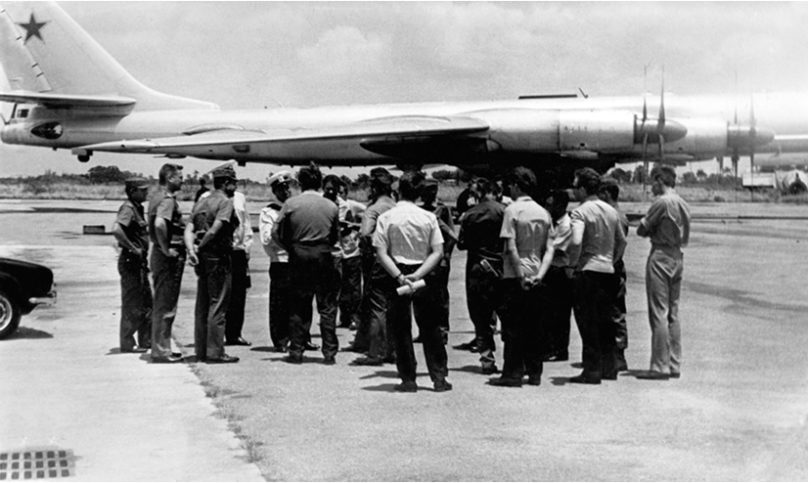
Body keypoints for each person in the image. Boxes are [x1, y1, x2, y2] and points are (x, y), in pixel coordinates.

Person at [373, 171, 451, 392]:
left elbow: (381, 252)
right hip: (423, 273)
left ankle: (408, 379)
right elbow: (438, 251)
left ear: (398, 191)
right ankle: (438, 377)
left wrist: (399, 276)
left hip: (396, 272)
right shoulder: (428, 217)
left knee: (400, 328)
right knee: (431, 327)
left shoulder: (386, 218)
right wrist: (419, 275)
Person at [488, 167, 554, 388]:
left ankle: (513, 373)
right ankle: (535, 372)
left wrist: (520, 275)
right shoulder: (543, 213)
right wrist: (539, 275)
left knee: (513, 328)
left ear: (516, 185)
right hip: (538, 274)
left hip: (514, 276)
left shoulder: (512, 211)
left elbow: (511, 247)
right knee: (535, 326)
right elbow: (549, 249)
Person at [272, 162, 340, 365]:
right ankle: (329, 351)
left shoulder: (291, 204)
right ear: (319, 182)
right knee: (327, 306)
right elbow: (335, 236)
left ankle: (296, 349)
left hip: (299, 256)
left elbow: (276, 232)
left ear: (300, 183)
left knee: (299, 305)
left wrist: (289, 247)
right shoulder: (331, 206)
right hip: (323, 255)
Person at [567, 167, 627, 384]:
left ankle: (591, 370)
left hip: (588, 271)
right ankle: (610, 367)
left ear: (583, 189)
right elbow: (622, 241)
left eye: (575, 187)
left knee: (587, 322)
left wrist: (573, 264)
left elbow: (575, 241)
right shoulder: (611, 211)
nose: (574, 192)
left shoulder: (580, 212)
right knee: (607, 321)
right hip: (608, 271)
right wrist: (612, 259)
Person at [637, 165, 691, 379]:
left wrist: (645, 227)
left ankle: (660, 366)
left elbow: (643, 229)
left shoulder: (662, 202)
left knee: (658, 312)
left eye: (653, 181)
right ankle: (674, 363)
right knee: (672, 313)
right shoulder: (682, 202)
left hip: (660, 255)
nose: (652, 186)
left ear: (660, 180)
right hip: (677, 255)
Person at [185, 164, 240, 363]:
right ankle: (215, 352)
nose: (235, 186)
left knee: (203, 304)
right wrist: (201, 247)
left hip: (203, 258)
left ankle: (201, 349)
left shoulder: (202, 201)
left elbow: (189, 228)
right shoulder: (225, 202)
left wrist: (192, 249)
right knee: (218, 305)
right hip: (218, 256)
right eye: (233, 183)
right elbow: (215, 229)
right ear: (226, 183)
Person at [457, 177, 505, 375]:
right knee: (507, 314)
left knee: (480, 315)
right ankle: (514, 359)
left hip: (477, 268)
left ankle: (487, 359)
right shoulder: (504, 211)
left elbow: (462, 244)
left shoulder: (469, 214)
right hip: (501, 267)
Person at [349, 168, 397, 365]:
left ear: (375, 188)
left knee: (376, 305)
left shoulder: (373, 209)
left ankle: (376, 352)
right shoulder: (395, 206)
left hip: (376, 260)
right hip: (397, 260)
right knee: (393, 305)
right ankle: (391, 348)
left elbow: (366, 233)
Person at [147, 163, 186, 363]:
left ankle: (162, 346)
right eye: (179, 177)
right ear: (170, 178)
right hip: (168, 256)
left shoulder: (155, 196)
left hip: (158, 254)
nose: (182, 180)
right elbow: (160, 224)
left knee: (162, 302)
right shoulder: (167, 200)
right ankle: (161, 351)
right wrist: (165, 248)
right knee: (166, 304)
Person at [112, 176, 152, 353]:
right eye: (143, 190)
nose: (146, 193)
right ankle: (128, 342)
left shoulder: (138, 208)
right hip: (131, 261)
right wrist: (133, 248)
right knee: (132, 303)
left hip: (139, 262)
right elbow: (117, 229)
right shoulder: (128, 208)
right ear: (133, 191)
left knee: (146, 301)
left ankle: (146, 340)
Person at [259, 171, 298, 352]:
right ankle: (281, 339)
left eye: (287, 187)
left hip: (296, 260)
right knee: (280, 303)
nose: (286, 191)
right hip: (281, 260)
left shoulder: (294, 207)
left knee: (298, 302)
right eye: (281, 188)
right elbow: (267, 239)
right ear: (275, 191)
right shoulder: (269, 212)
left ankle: (299, 338)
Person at [418, 179, 457, 344]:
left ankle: (442, 330)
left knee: (440, 296)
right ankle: (424, 330)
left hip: (439, 258)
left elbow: (451, 235)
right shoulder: (418, 210)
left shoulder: (442, 210)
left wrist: (446, 255)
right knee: (421, 295)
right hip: (422, 258)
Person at [598, 177, 630, 372]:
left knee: (615, 313)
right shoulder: (616, 214)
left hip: (612, 268)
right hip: (612, 266)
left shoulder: (616, 216)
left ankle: (618, 356)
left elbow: (620, 244)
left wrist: (612, 262)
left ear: (607, 194)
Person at [541, 189, 575, 362]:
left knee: (560, 313)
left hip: (560, 272)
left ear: (560, 206)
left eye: (550, 205)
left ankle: (560, 349)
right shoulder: (553, 222)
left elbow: (555, 248)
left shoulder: (566, 224)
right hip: (551, 271)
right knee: (549, 311)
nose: (547, 208)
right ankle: (551, 347)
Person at [225, 182, 253, 346]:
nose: (233, 183)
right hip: (221, 250)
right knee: (221, 295)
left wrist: (247, 247)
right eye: (229, 180)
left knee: (238, 295)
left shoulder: (240, 198)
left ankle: (234, 334)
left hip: (238, 250)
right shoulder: (208, 197)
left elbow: (246, 223)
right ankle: (216, 335)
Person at [336, 181, 366, 331]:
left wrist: (358, 228)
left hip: (352, 251)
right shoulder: (332, 206)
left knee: (354, 286)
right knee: (341, 287)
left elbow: (367, 214)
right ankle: (344, 317)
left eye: (341, 192)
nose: (339, 195)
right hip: (338, 252)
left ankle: (355, 317)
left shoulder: (352, 205)